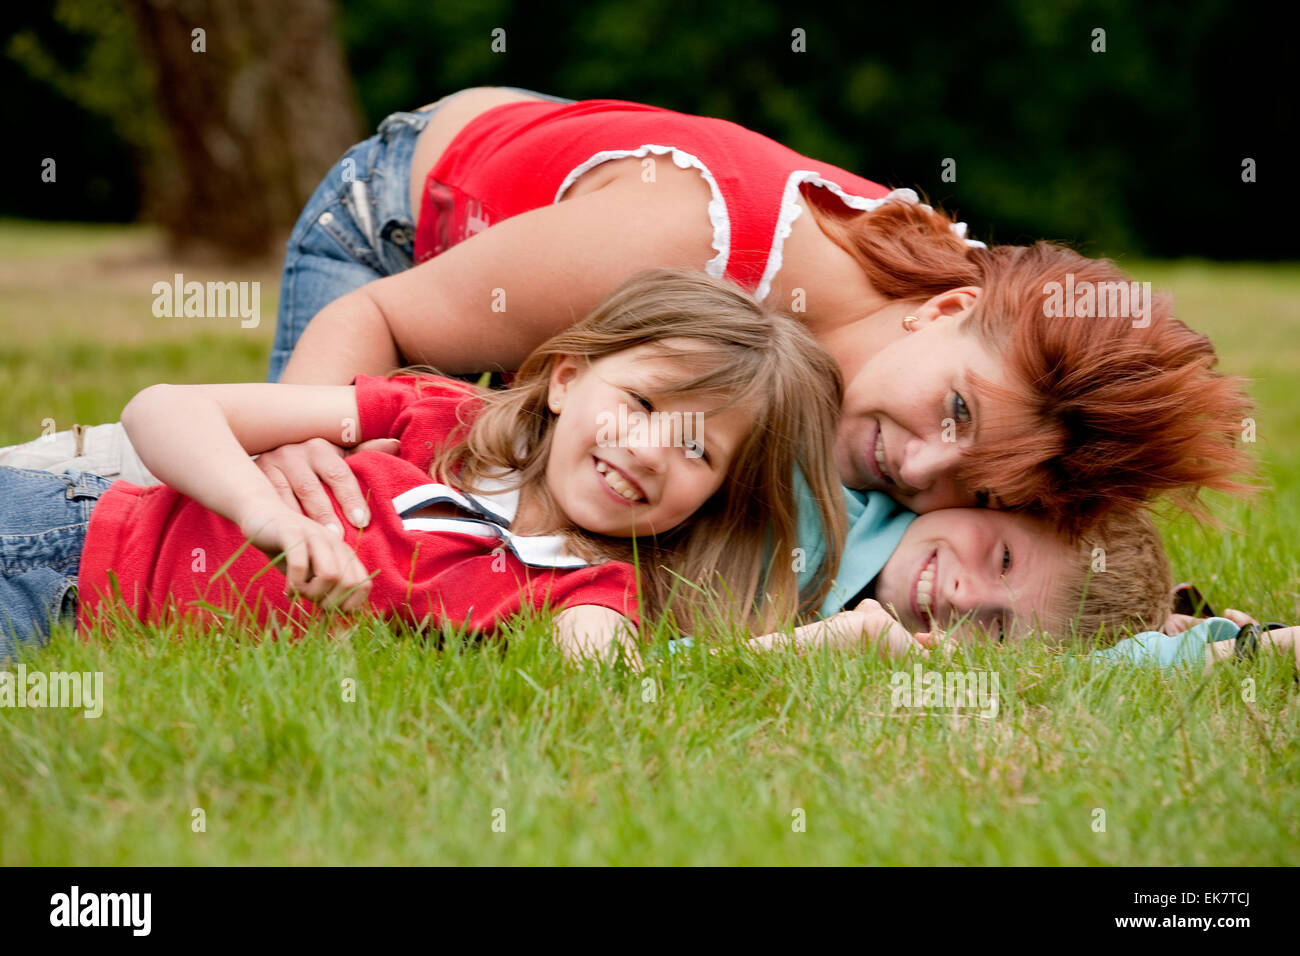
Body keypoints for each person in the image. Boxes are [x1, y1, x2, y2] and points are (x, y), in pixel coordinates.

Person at [1, 87, 1255, 575]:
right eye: (954, 417)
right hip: (397, 244)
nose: (916, 470)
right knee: (342, 500)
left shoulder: (950, 334)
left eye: (965, 472)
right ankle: (61, 484)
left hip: (585, 335)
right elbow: (377, 318)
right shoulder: (687, 238)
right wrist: (299, 457)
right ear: (943, 306)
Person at [0, 270, 851, 664]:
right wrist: (266, 514)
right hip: (67, 535)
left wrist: (832, 643)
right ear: (565, 379)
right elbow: (163, 411)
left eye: (700, 447)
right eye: (642, 403)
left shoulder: (589, 593)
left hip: (85, 631)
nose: (650, 449)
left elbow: (625, 693)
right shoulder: (433, 418)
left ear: (716, 500)